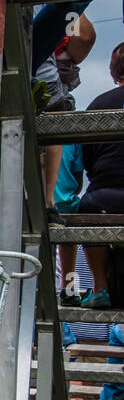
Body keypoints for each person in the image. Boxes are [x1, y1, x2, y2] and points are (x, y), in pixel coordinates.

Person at [77, 43, 124, 308]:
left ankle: (100, 288)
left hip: (104, 197)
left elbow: (88, 161)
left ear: (113, 72)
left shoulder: (98, 104)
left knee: (88, 206)